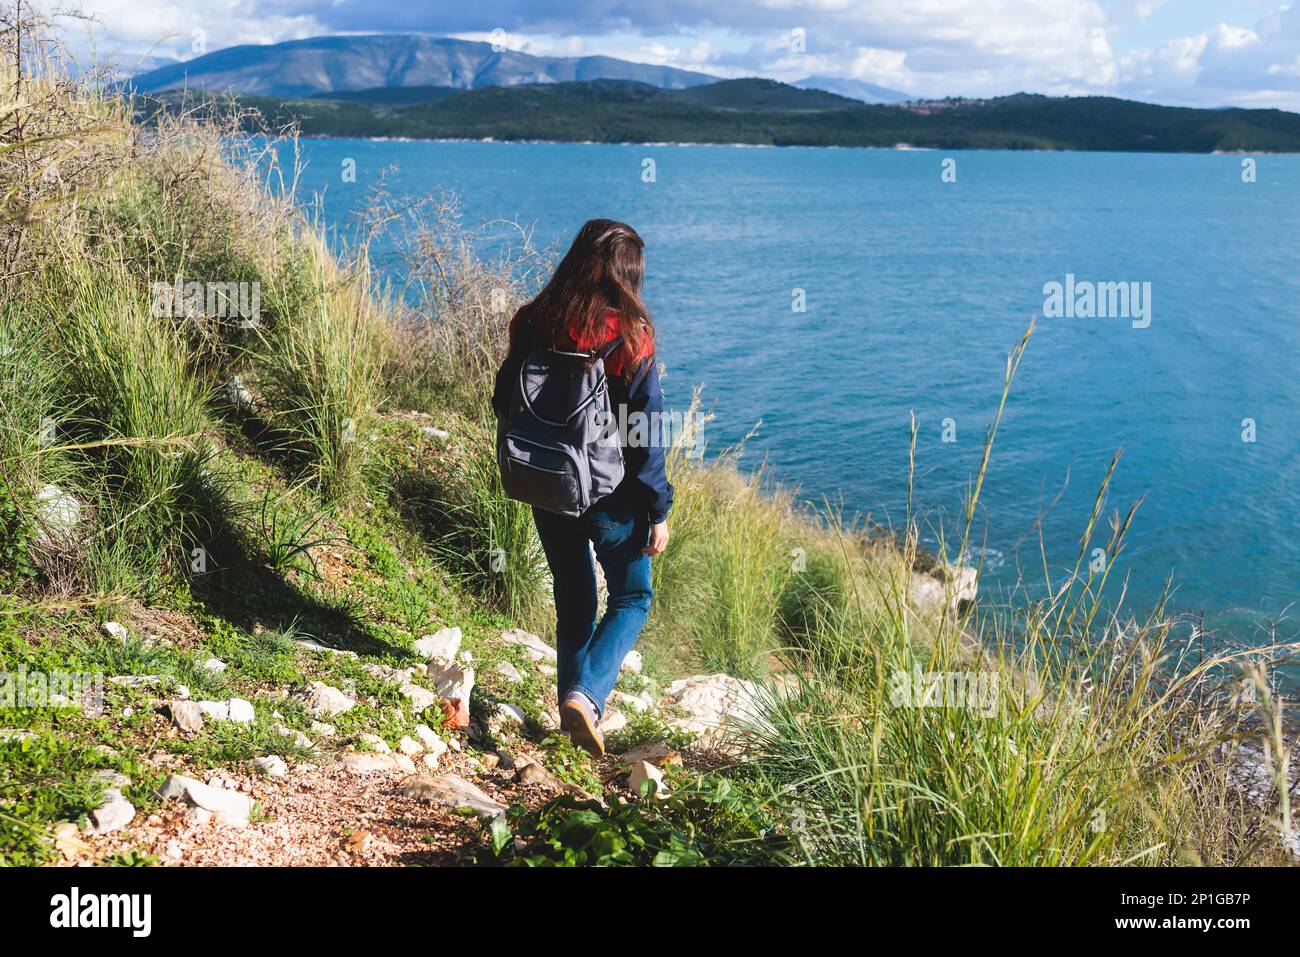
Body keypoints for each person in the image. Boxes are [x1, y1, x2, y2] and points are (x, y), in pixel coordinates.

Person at [491, 219, 673, 758]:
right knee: (634, 595)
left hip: (543, 480)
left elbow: (505, 398)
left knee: (574, 595)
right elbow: (646, 431)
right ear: (627, 276)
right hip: (608, 492)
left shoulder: (532, 320)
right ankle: (586, 698)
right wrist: (657, 507)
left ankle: (570, 720)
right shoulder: (630, 335)